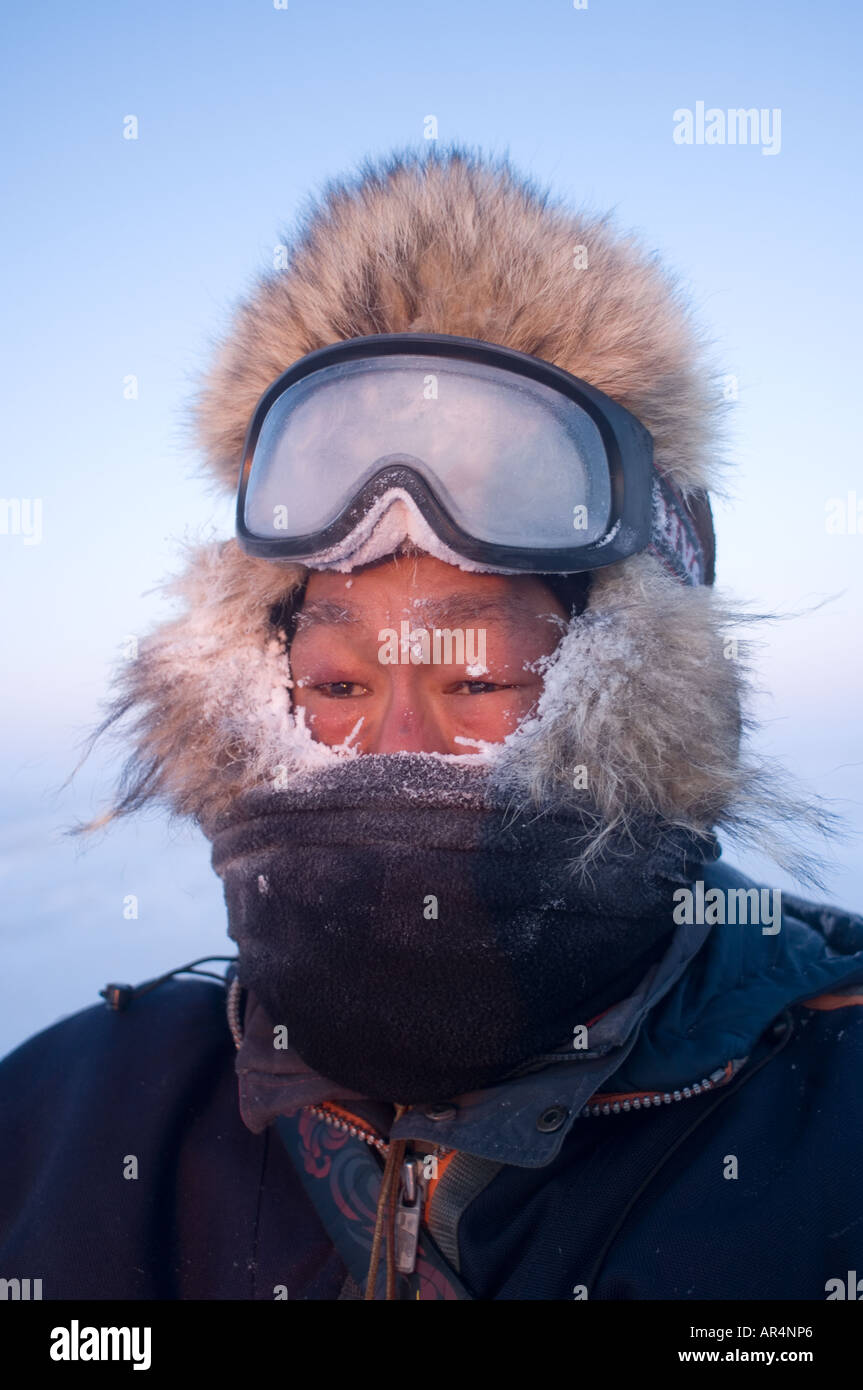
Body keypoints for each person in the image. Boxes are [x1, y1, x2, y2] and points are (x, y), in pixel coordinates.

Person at [1, 146, 862, 1302]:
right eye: (336, 687)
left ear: (637, 703)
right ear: (255, 693)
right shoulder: (68, 1126)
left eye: (478, 681)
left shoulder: (828, 1108)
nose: (394, 745)